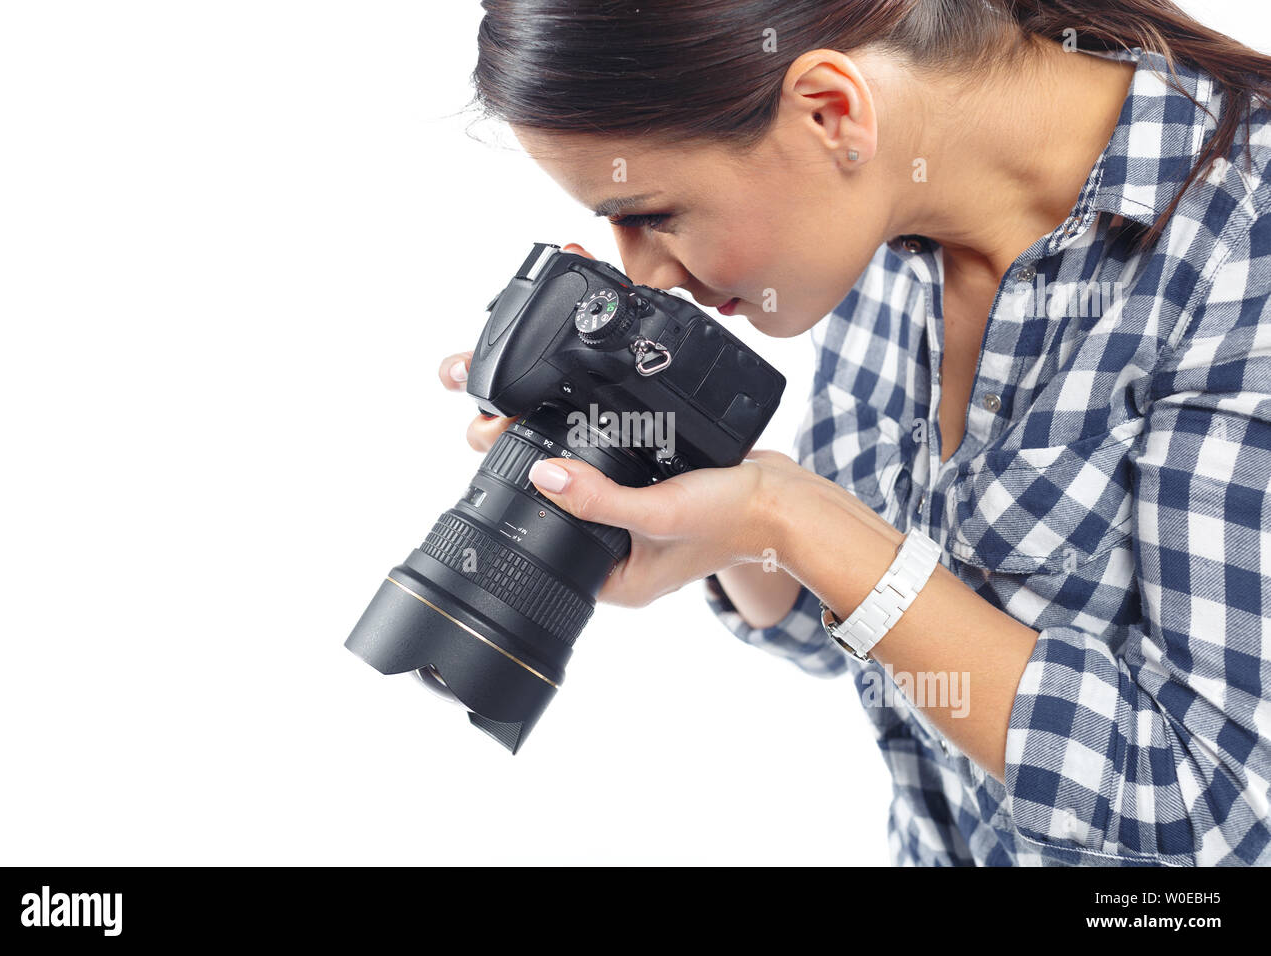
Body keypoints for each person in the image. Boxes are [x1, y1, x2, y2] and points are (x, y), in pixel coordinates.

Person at [438, 0, 1271, 866]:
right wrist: (695, 501)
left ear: (832, 112)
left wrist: (790, 518)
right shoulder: (877, 213)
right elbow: (841, 629)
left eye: (653, 213)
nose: (644, 271)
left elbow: (1221, 812)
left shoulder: (1242, 249)